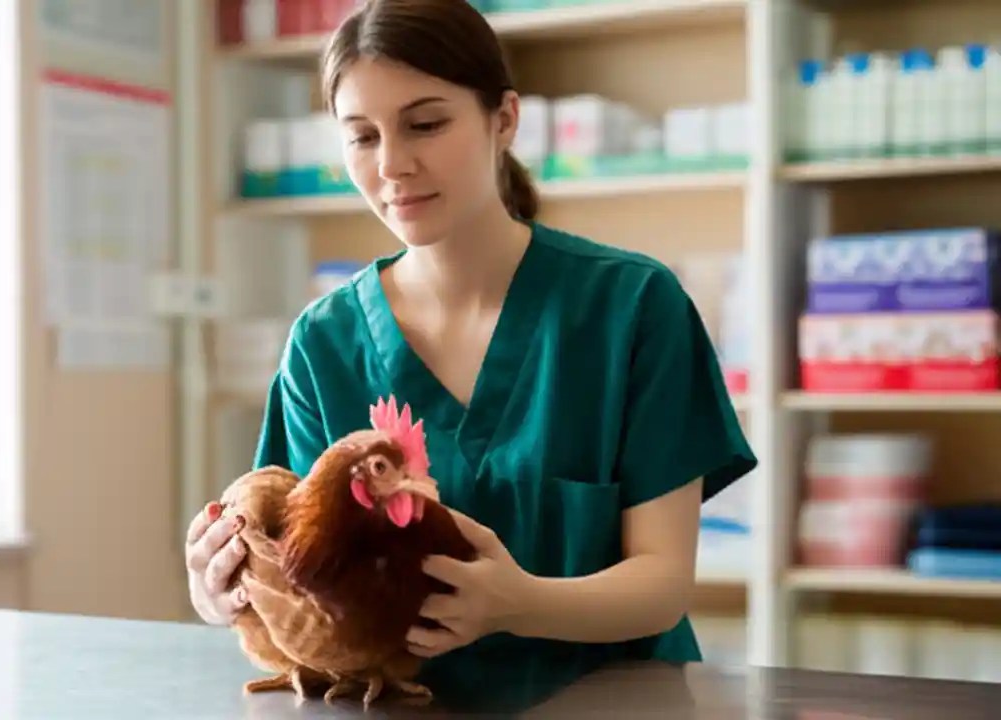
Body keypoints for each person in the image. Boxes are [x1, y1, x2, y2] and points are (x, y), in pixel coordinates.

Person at [184, 0, 757, 708]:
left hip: (614, 703)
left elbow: (661, 586)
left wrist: (520, 602)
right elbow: (307, 595)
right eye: (362, 136)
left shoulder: (633, 308)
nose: (393, 163)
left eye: (425, 124)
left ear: (504, 119)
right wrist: (227, 590)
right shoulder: (324, 343)